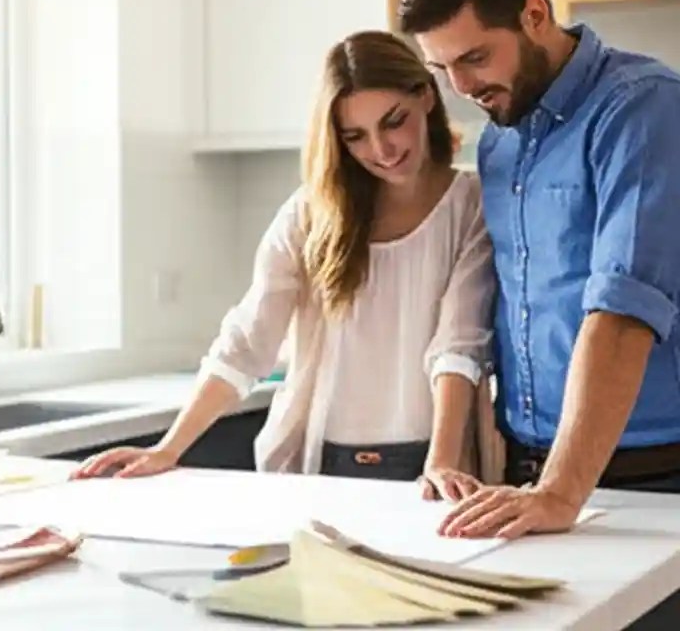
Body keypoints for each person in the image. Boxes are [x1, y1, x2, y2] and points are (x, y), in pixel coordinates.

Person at [72, 31, 498, 502]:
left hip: (430, 466)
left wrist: (441, 461)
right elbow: (248, 341)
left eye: (393, 122)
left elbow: (459, 344)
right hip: (321, 461)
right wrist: (168, 448)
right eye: (355, 136)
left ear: (424, 96)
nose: (381, 149)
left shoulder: (472, 204)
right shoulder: (312, 213)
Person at [399, 0, 680, 540]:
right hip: (533, 473)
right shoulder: (499, 137)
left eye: (474, 57)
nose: (462, 88)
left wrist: (559, 491)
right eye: (442, 67)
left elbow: (622, 308)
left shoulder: (642, 108)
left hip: (652, 479)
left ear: (534, 15)